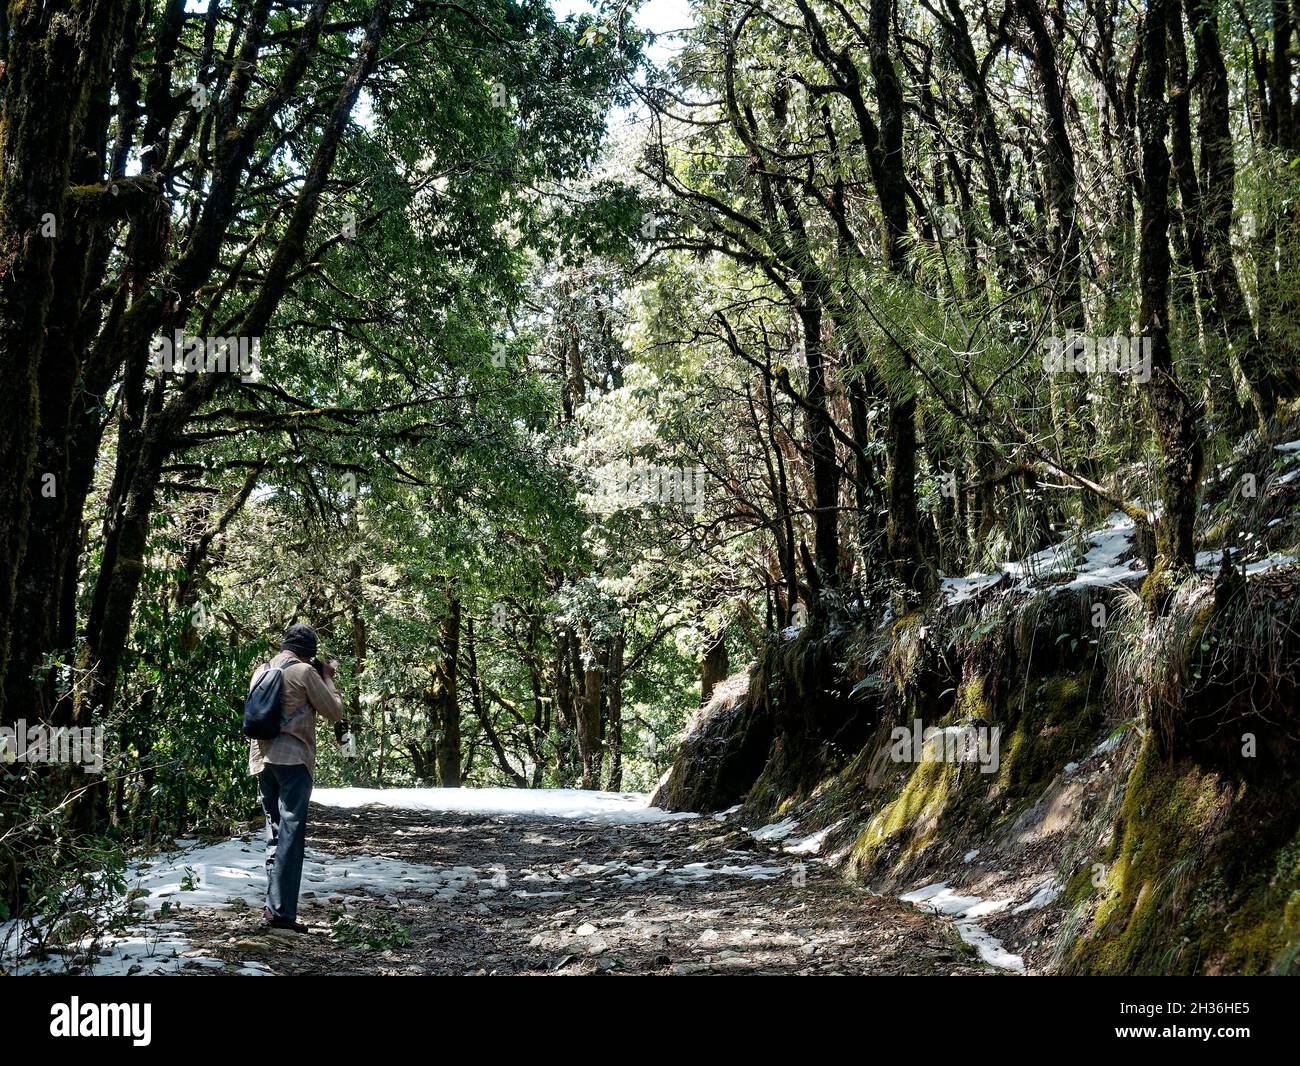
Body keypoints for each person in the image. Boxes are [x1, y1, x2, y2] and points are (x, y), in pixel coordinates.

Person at [249, 623, 347, 933]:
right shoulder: (305, 673)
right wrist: (328, 679)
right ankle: (282, 915)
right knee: (291, 836)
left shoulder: (261, 669)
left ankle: (272, 908)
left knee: (275, 833)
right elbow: (335, 712)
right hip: (293, 759)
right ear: (309, 653)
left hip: (261, 759)